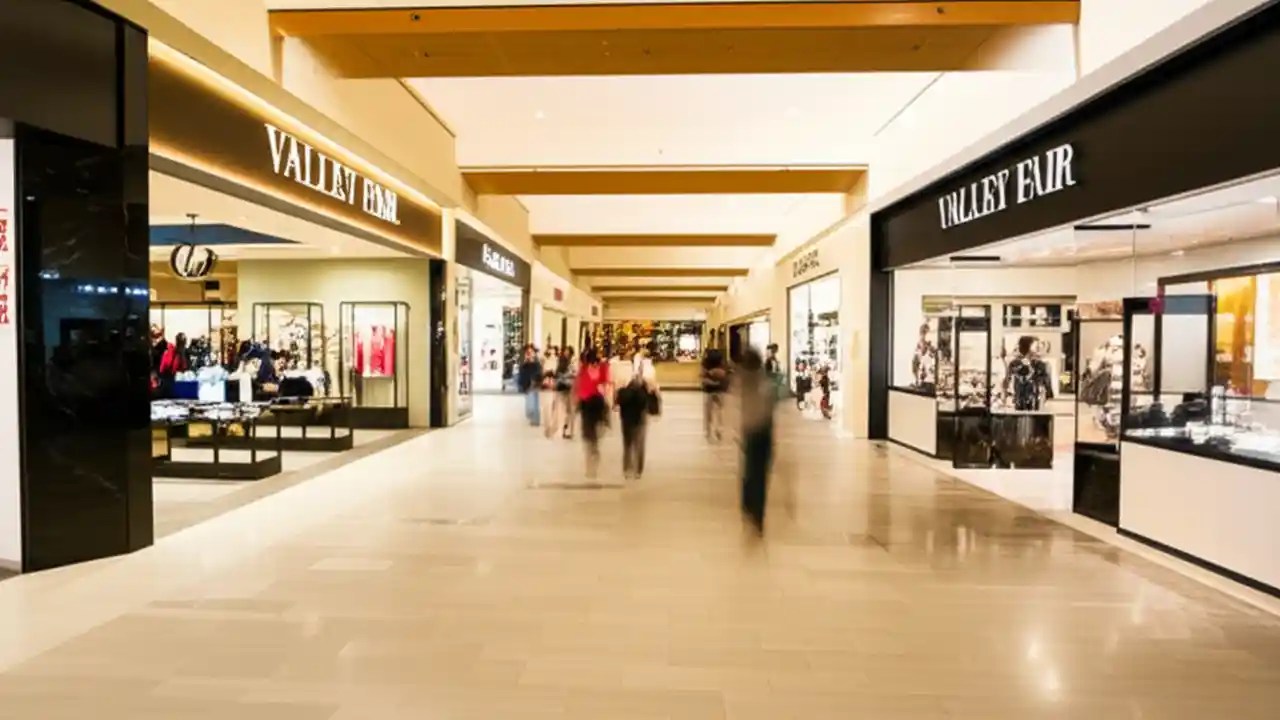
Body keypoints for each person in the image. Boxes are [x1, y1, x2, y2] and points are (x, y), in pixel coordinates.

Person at [738, 347, 776, 535]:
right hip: (762, 432)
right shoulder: (764, 382)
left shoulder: (742, 381)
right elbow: (768, 408)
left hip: (751, 431)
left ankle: (748, 504)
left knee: (750, 471)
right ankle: (756, 512)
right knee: (759, 474)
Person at [575, 348, 611, 478]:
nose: (594, 365)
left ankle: (593, 455)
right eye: (592, 363)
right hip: (586, 405)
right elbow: (578, 388)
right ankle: (590, 462)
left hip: (597, 405)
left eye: (595, 362)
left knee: (595, 434)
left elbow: (606, 385)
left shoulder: (603, 368)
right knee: (588, 434)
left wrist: (604, 391)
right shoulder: (583, 371)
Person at [615, 373, 649, 480]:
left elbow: (617, 402)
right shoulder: (642, 393)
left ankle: (627, 469)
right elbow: (647, 405)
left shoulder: (623, 392)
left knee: (627, 446)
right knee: (639, 447)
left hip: (626, 422)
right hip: (639, 422)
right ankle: (638, 470)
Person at [701, 348, 729, 442]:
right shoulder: (722, 365)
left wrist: (710, 380)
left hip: (708, 391)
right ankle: (719, 429)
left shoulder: (705, 363)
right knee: (719, 411)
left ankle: (708, 431)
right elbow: (725, 375)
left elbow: (703, 377)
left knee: (708, 413)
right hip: (720, 390)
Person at [553, 346, 578, 439]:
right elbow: (558, 374)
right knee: (567, 410)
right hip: (565, 388)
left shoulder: (572, 362)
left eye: (568, 352)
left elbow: (574, 373)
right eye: (566, 351)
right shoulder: (563, 362)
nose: (566, 353)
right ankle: (565, 429)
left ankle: (567, 430)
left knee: (569, 410)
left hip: (569, 388)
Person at [516, 344, 543, 427]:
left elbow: (539, 371)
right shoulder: (524, 361)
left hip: (535, 383)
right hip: (527, 384)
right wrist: (526, 362)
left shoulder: (537, 361)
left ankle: (536, 420)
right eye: (528, 351)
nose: (529, 353)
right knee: (530, 403)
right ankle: (533, 417)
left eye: (531, 351)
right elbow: (521, 372)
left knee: (535, 403)